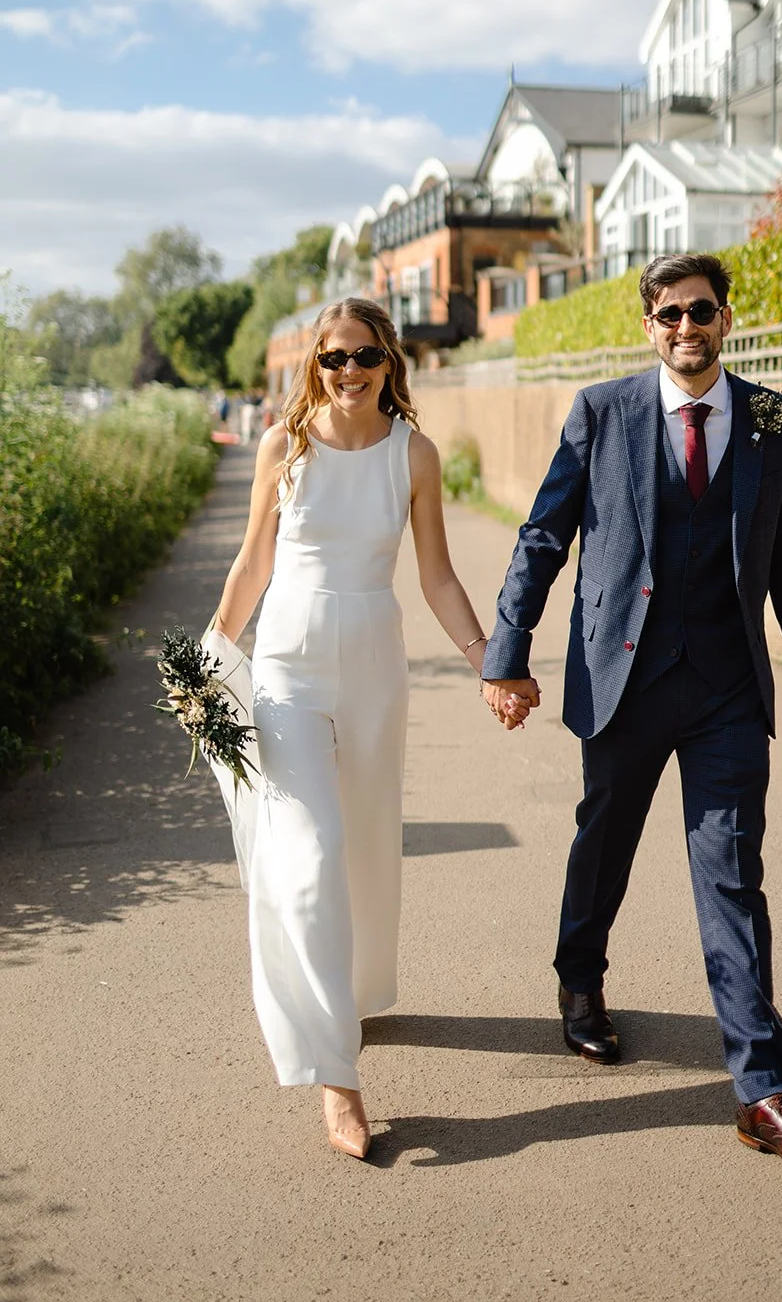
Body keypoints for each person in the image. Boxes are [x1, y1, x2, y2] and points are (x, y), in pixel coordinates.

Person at [481, 252, 782, 1169]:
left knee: (730, 877)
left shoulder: (771, 419)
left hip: (726, 688)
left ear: (726, 320)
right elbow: (543, 535)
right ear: (649, 325)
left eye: (702, 312)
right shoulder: (603, 412)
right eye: (669, 315)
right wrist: (507, 653)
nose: (686, 328)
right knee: (603, 839)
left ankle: (762, 1095)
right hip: (624, 678)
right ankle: (579, 982)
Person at [213, 297, 489, 1161]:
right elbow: (254, 562)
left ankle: (355, 995)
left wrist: (489, 657)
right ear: (315, 366)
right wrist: (208, 662)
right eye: (332, 358)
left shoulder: (414, 454)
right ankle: (337, 1078)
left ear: (388, 361)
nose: (347, 372)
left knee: (365, 846)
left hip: (374, 663)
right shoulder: (282, 446)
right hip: (290, 669)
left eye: (364, 355)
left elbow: (437, 576)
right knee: (307, 859)